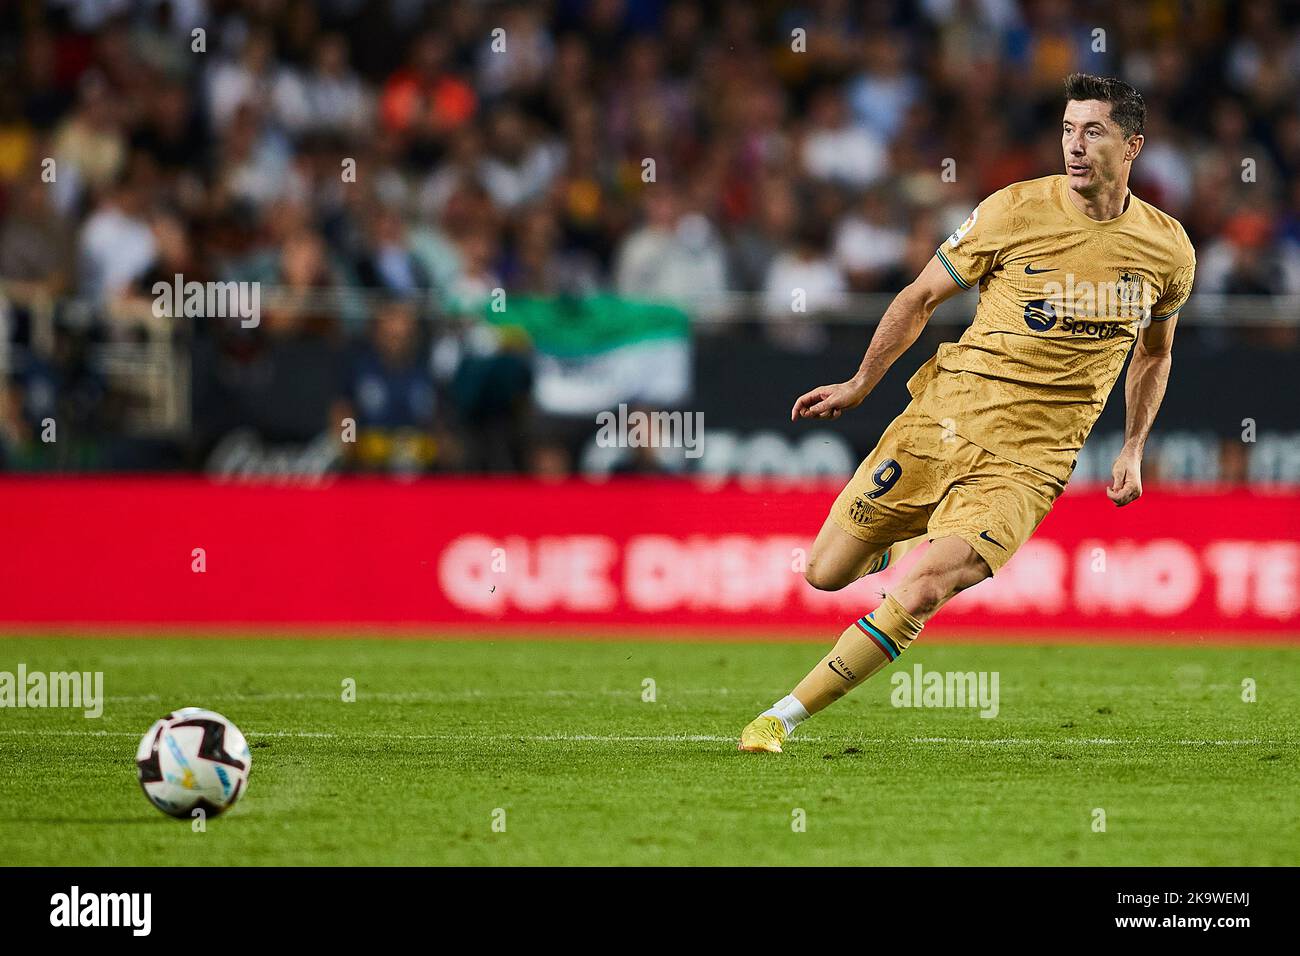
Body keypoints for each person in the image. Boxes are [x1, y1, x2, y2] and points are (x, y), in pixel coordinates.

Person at [738, 73, 1197, 752]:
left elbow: (1155, 354)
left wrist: (1133, 446)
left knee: (923, 591)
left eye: (1093, 131)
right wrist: (862, 383)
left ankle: (779, 718)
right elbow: (920, 297)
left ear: (1133, 145)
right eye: (1068, 129)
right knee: (824, 572)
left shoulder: (1167, 249)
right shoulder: (1012, 210)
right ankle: (903, 534)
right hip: (941, 423)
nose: (1075, 145)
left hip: (1029, 463)